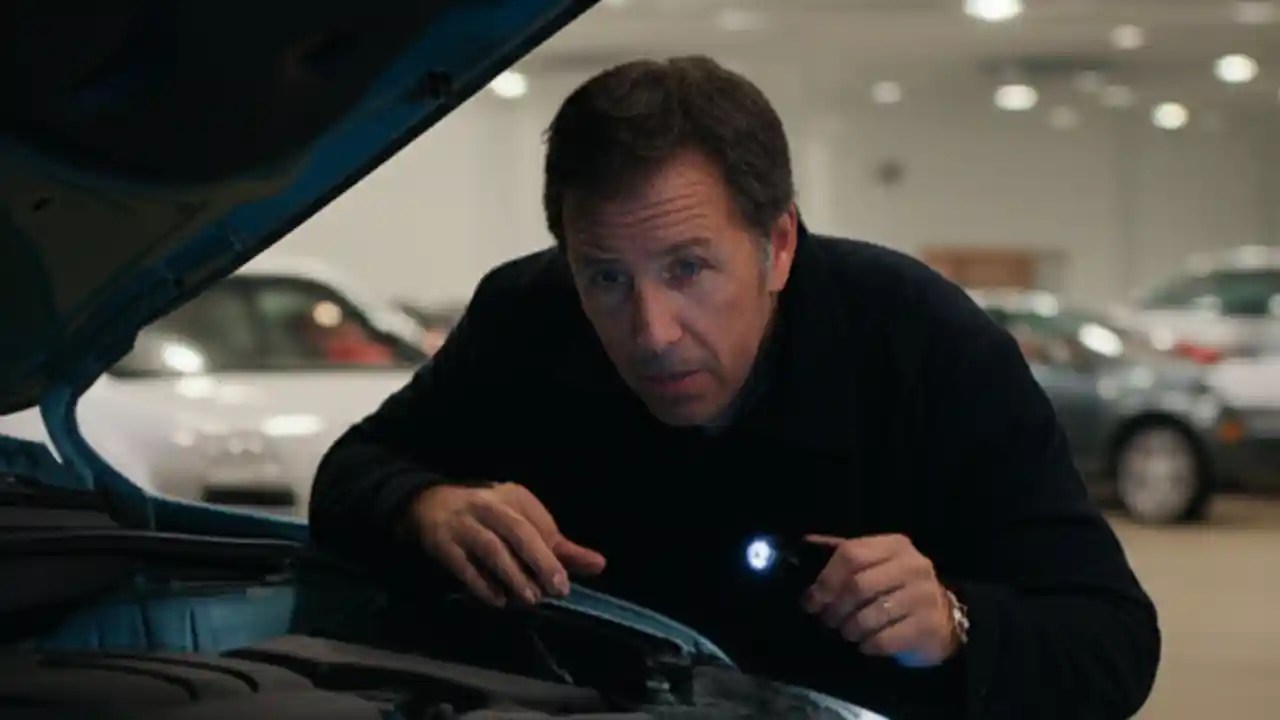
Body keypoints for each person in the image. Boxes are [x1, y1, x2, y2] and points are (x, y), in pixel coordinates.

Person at [310, 56, 1160, 719]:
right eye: (605, 277)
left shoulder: (924, 342)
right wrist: (424, 505)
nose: (651, 330)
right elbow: (352, 472)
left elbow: (1116, 642)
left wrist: (956, 622)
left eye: (688, 268)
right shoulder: (526, 316)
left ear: (778, 244)